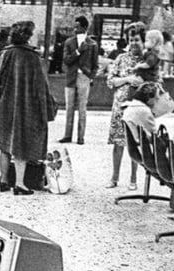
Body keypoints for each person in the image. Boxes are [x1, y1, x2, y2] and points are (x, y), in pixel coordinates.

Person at [0, 20, 57, 195]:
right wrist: (49, 108)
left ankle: (4, 180)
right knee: (21, 145)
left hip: (4, 107)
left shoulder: (4, 54)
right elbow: (41, 87)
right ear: (28, 37)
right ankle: (20, 184)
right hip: (26, 108)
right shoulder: (33, 57)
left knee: (4, 145)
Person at [106, 22, 146, 189]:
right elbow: (110, 80)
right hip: (120, 106)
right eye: (131, 39)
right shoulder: (121, 59)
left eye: (136, 39)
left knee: (135, 143)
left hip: (138, 107)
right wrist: (127, 80)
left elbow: (158, 82)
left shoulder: (147, 61)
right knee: (118, 142)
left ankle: (133, 179)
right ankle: (114, 178)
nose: (133, 43)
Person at [59, 16, 99, 145]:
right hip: (71, 77)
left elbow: (95, 64)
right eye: (74, 27)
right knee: (69, 107)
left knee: (82, 108)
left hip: (84, 77)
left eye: (77, 27)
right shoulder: (69, 42)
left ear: (84, 27)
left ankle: (81, 137)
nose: (75, 29)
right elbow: (66, 60)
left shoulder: (93, 44)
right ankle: (67, 135)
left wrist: (91, 77)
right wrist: (78, 51)